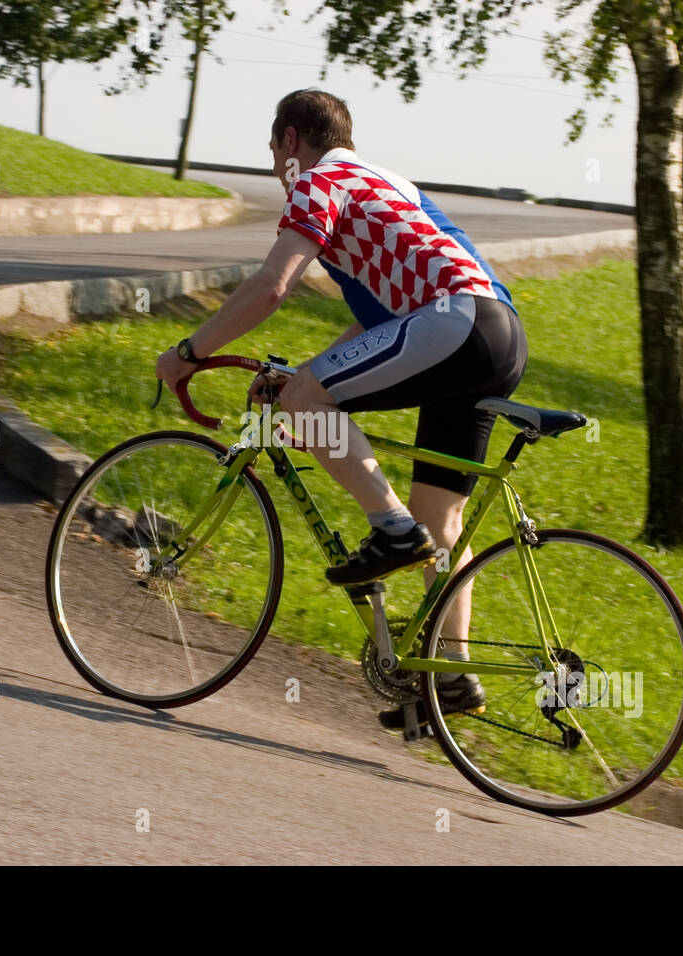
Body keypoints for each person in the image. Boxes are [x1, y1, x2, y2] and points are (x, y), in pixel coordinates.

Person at [156, 89, 527, 729]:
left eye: (274, 154)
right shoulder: (388, 183)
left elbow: (272, 286)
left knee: (310, 405)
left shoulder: (320, 179)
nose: (277, 172)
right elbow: (381, 328)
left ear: (290, 140)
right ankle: (454, 674)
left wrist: (190, 351)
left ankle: (389, 529)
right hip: (496, 333)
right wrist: (300, 374)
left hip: (453, 322)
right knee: (442, 514)